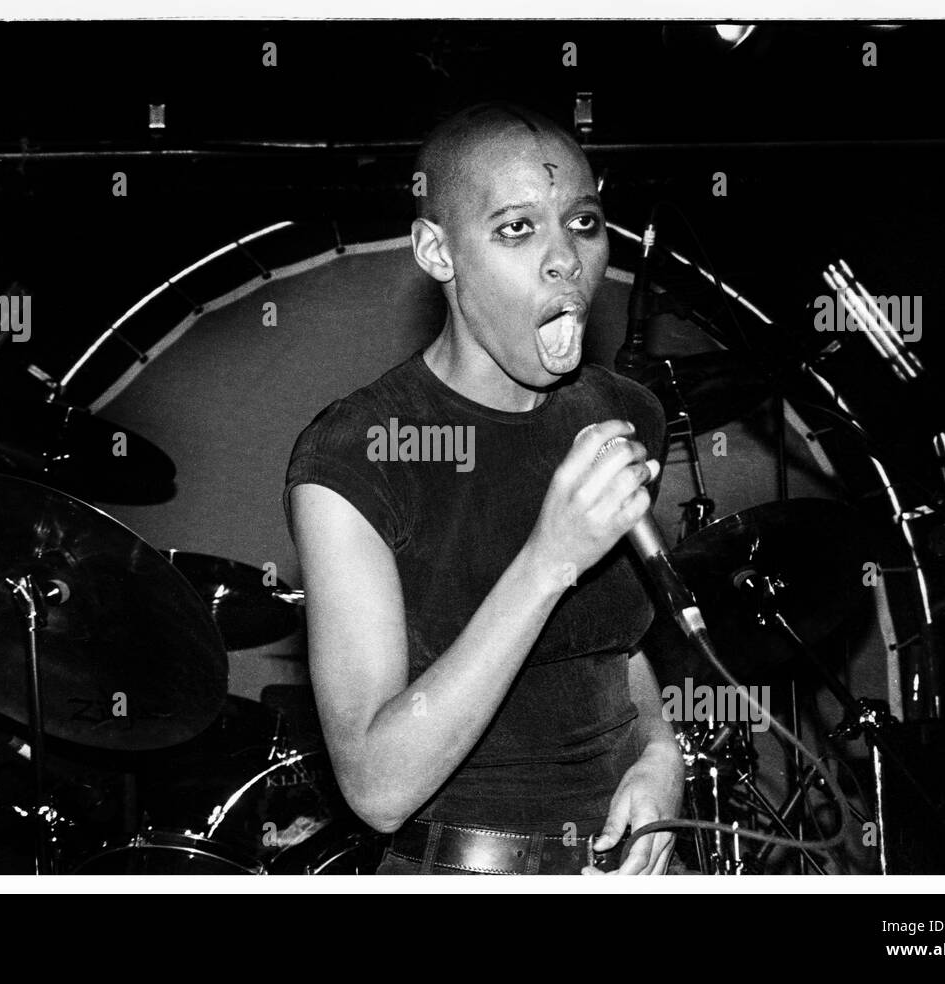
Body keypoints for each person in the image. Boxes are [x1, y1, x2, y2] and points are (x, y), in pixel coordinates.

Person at [283, 102, 683, 875]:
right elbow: (377, 785)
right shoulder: (357, 454)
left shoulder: (624, 414)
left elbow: (611, 646)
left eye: (585, 222)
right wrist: (547, 560)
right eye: (516, 229)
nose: (565, 258)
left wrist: (659, 756)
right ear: (438, 251)